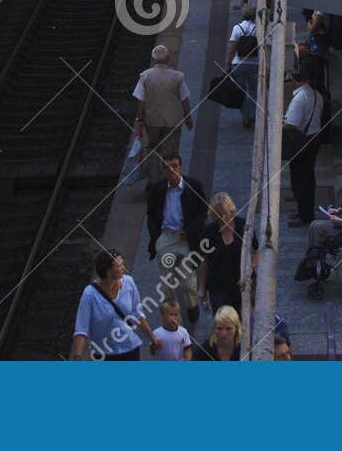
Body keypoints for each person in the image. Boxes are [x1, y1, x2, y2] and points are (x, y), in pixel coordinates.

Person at [145, 152, 209, 326]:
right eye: (167, 167)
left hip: (186, 238)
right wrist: (156, 237)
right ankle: (172, 313)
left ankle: (192, 304)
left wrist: (190, 231)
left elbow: (203, 212)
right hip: (167, 238)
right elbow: (151, 214)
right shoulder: (157, 189)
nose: (171, 170)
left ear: (181, 167)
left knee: (188, 280)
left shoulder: (194, 186)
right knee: (168, 281)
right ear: (163, 171)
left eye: (174, 166)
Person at [71, 250, 158, 360]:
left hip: (130, 348)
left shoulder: (129, 282)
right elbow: (81, 328)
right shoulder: (90, 294)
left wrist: (152, 337)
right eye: (119, 266)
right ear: (108, 272)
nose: (123, 267)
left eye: (122, 264)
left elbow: (137, 313)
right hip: (103, 354)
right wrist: (77, 356)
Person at [132, 45, 192, 185]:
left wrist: (140, 119)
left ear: (153, 59)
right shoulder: (178, 76)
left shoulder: (145, 76)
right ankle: (168, 180)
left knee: (152, 150)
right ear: (168, 59)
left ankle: (154, 181)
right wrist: (188, 117)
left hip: (152, 121)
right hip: (173, 121)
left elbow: (140, 100)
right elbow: (184, 98)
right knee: (170, 152)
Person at [283, 58, 326, 227]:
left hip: (301, 141)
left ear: (296, 79)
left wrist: (279, 123)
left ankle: (304, 214)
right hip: (314, 138)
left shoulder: (300, 98)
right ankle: (305, 211)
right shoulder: (317, 95)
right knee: (308, 177)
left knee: (299, 178)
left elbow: (291, 124)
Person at [198, 191, 250, 319]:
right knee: (222, 319)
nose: (224, 219)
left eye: (226, 215)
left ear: (232, 212)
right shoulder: (209, 231)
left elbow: (255, 251)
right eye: (219, 216)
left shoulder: (243, 226)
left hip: (239, 283)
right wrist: (202, 287)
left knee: (239, 319)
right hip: (217, 284)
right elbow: (204, 261)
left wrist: (248, 271)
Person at [226, 4, 262, 129]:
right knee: (253, 90)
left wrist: (228, 64)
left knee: (241, 91)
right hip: (254, 64)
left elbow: (232, 49)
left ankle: (245, 118)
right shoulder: (259, 28)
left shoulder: (237, 28)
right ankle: (253, 114)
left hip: (238, 64)